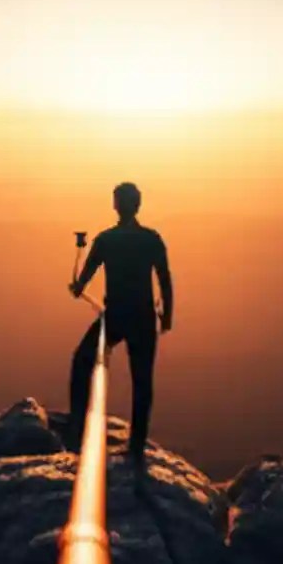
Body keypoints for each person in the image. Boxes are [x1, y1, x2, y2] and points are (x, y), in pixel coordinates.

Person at [68, 182, 173, 464]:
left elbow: (84, 279)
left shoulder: (106, 240)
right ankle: (136, 446)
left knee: (82, 360)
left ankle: (76, 428)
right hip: (142, 316)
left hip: (115, 315)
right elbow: (164, 278)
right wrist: (168, 315)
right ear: (137, 205)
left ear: (116, 205)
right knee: (142, 380)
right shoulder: (152, 239)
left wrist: (77, 287)